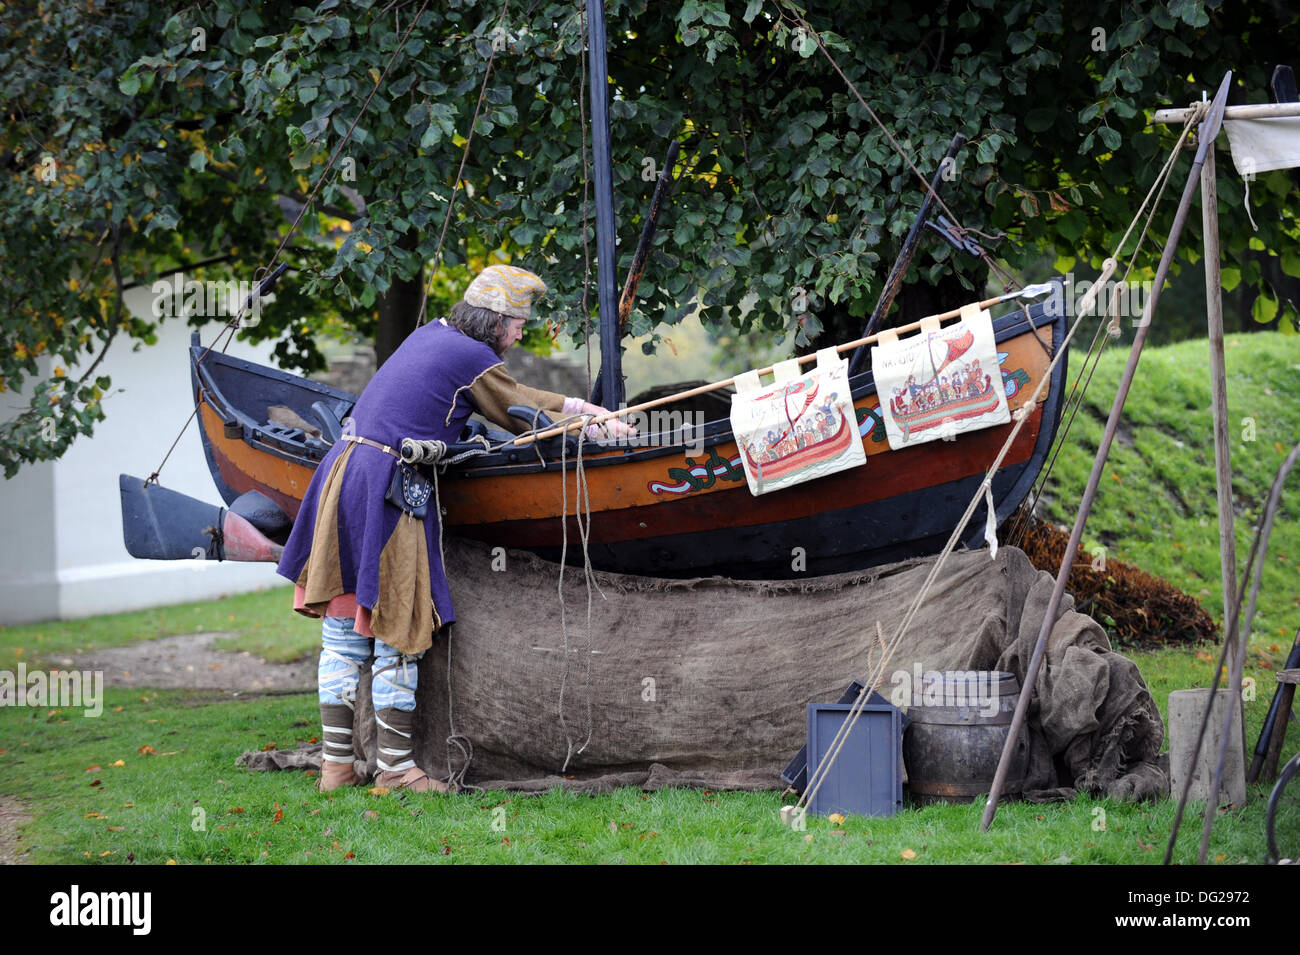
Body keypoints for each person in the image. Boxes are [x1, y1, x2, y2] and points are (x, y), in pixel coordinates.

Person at [277, 264, 634, 794]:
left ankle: (337, 768)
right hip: (387, 485)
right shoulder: (472, 357)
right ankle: (396, 772)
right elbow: (517, 408)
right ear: (494, 320)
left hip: (343, 475)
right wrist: (589, 415)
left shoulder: (431, 336)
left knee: (342, 631)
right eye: (516, 323)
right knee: (399, 623)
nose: (519, 334)